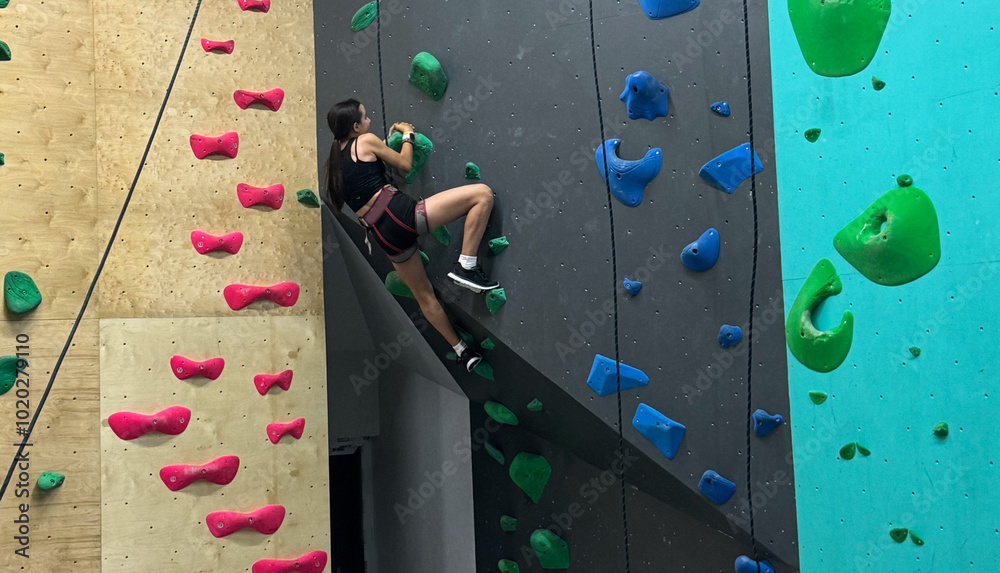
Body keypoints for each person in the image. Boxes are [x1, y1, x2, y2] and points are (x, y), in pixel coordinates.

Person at [322, 98, 499, 372]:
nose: (369, 121)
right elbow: (404, 164)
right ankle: (467, 264)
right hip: (401, 215)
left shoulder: (335, 166)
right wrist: (407, 133)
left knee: (424, 296)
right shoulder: (365, 141)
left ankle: (462, 351)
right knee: (482, 195)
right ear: (356, 127)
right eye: (365, 118)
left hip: (384, 237)